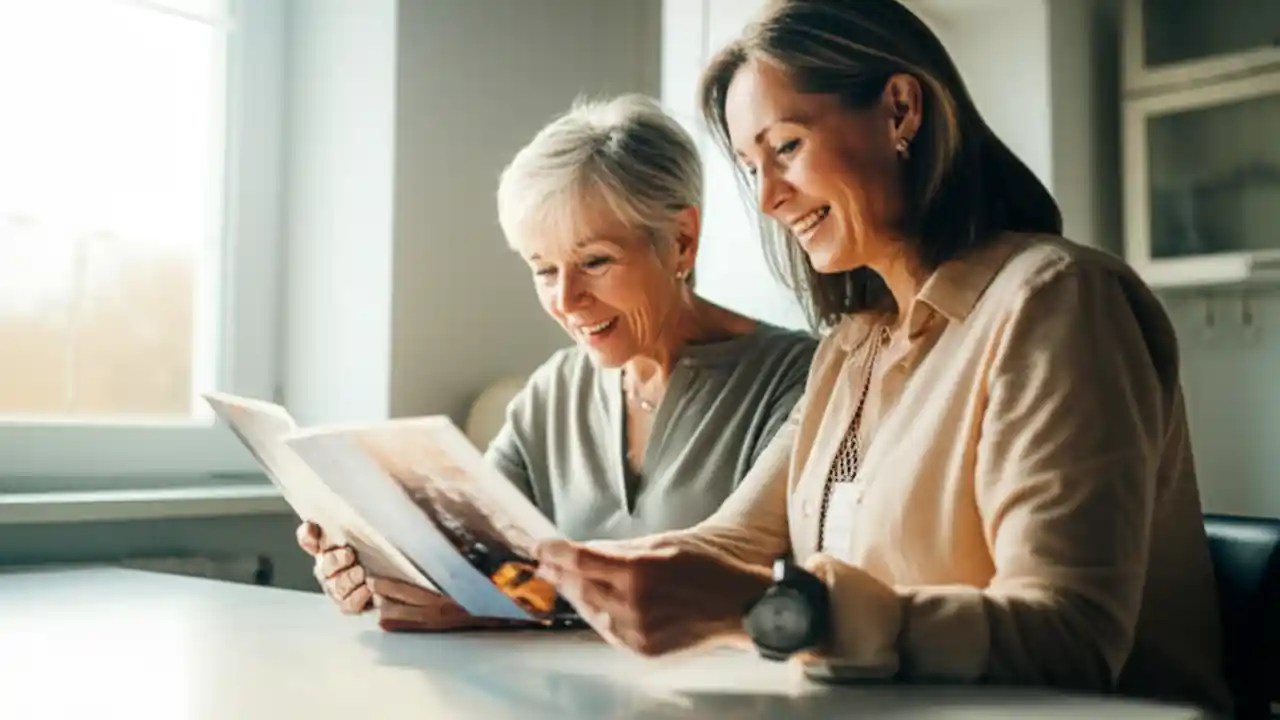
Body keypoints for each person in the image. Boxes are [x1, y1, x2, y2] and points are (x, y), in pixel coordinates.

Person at [533, 0, 1231, 713]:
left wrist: (784, 610)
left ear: (899, 110)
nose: (769, 198)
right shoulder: (852, 345)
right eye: (752, 166)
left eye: (787, 147)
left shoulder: (1055, 301)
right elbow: (727, 544)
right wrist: (508, 582)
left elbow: (1070, 639)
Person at [297, 94, 817, 631]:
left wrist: (504, 605)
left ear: (682, 241)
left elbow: (761, 587)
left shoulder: (799, 380)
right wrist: (369, 564)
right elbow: (463, 558)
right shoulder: (553, 392)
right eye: (544, 269)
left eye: (594, 262)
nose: (567, 300)